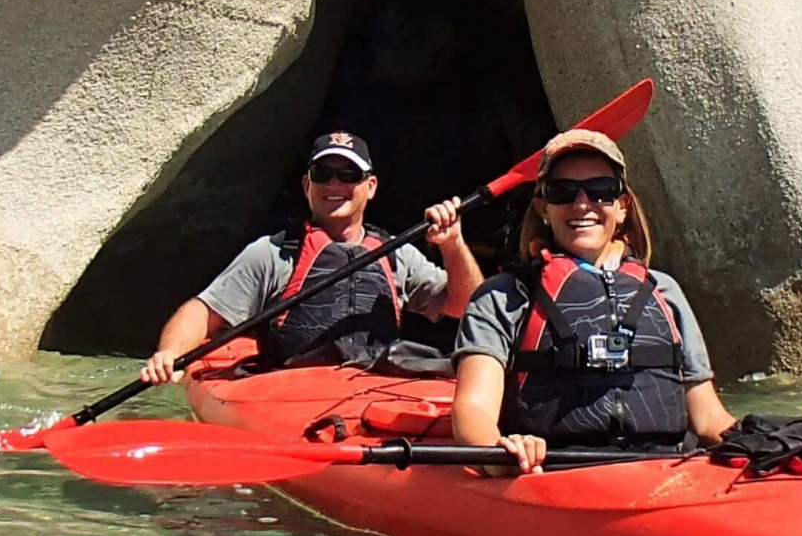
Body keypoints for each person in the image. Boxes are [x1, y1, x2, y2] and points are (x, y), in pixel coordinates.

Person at [449, 129, 738, 470]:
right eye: (563, 192)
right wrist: (500, 454)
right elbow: (473, 410)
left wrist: (762, 441)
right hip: (553, 472)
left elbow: (707, 418)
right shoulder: (503, 296)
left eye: (601, 191)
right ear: (543, 207)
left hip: (665, 469)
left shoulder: (665, 291)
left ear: (621, 207)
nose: (582, 204)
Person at [140, 130, 483, 381]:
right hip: (291, 395)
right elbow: (202, 311)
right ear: (307, 186)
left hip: (373, 390)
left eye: (349, 175)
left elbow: (464, 304)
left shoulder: (397, 254)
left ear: (371, 186)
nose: (335, 185)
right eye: (323, 174)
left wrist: (452, 245)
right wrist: (170, 352)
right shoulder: (272, 254)